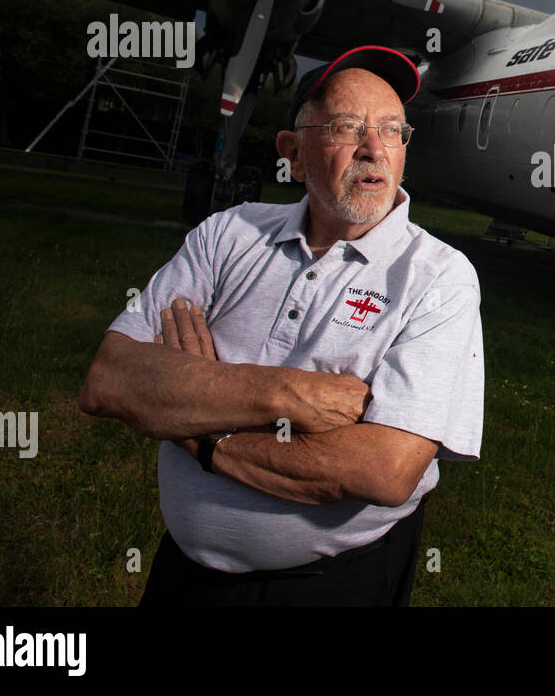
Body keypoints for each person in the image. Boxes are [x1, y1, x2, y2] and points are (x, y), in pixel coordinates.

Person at [80, 45, 484, 606]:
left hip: (333, 585)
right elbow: (110, 381)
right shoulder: (227, 234)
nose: (374, 149)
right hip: (183, 575)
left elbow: (383, 470)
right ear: (293, 153)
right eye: (348, 127)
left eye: (393, 131)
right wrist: (287, 394)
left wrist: (197, 423)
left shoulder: (439, 277)